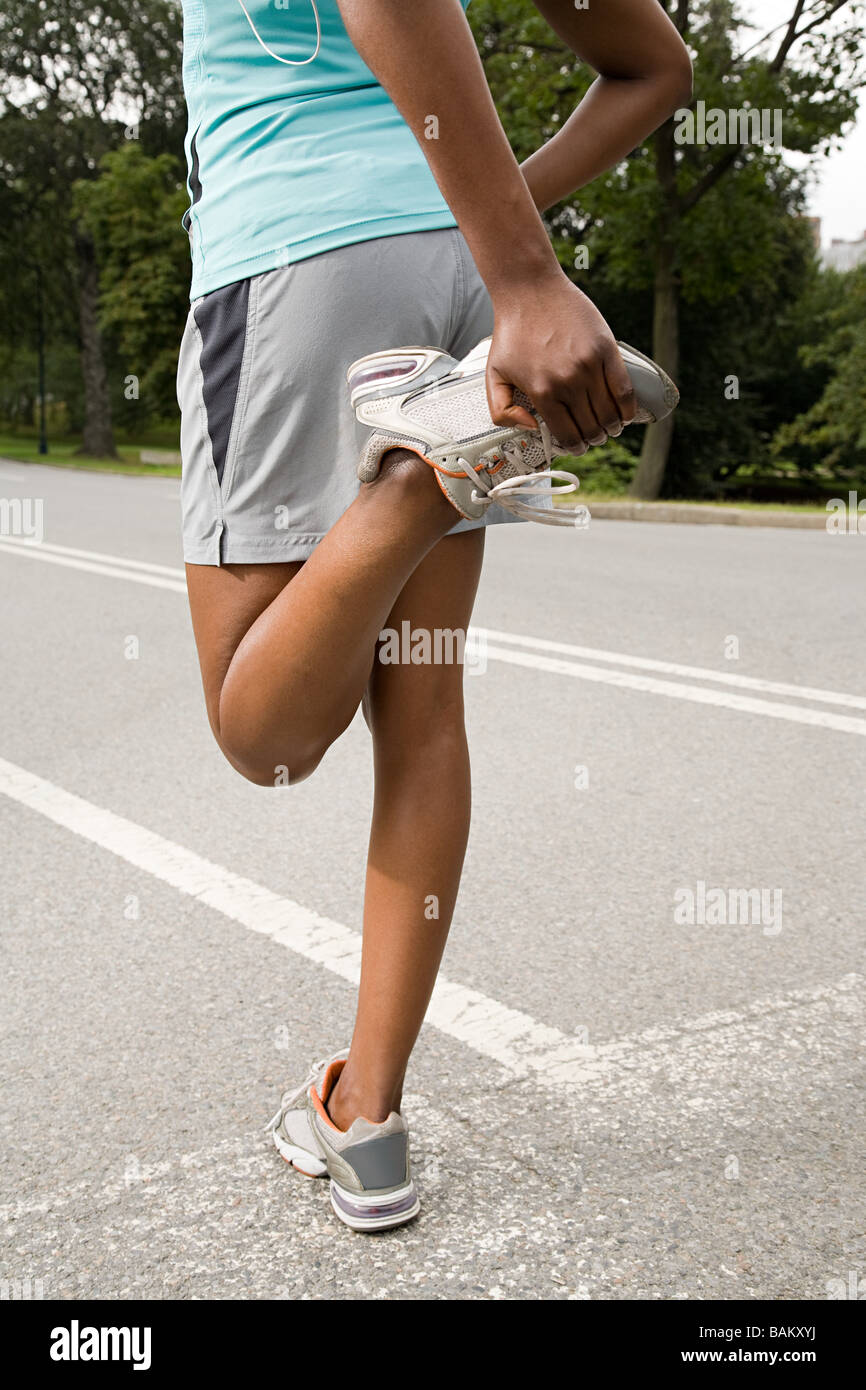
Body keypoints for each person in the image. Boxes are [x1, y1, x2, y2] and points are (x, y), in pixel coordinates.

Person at [176, 0, 692, 1231]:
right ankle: (365, 1123)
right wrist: (479, 236)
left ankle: (423, 475)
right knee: (422, 710)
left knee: (266, 734)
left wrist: (522, 267)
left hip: (294, 253)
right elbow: (656, 68)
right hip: (442, 274)